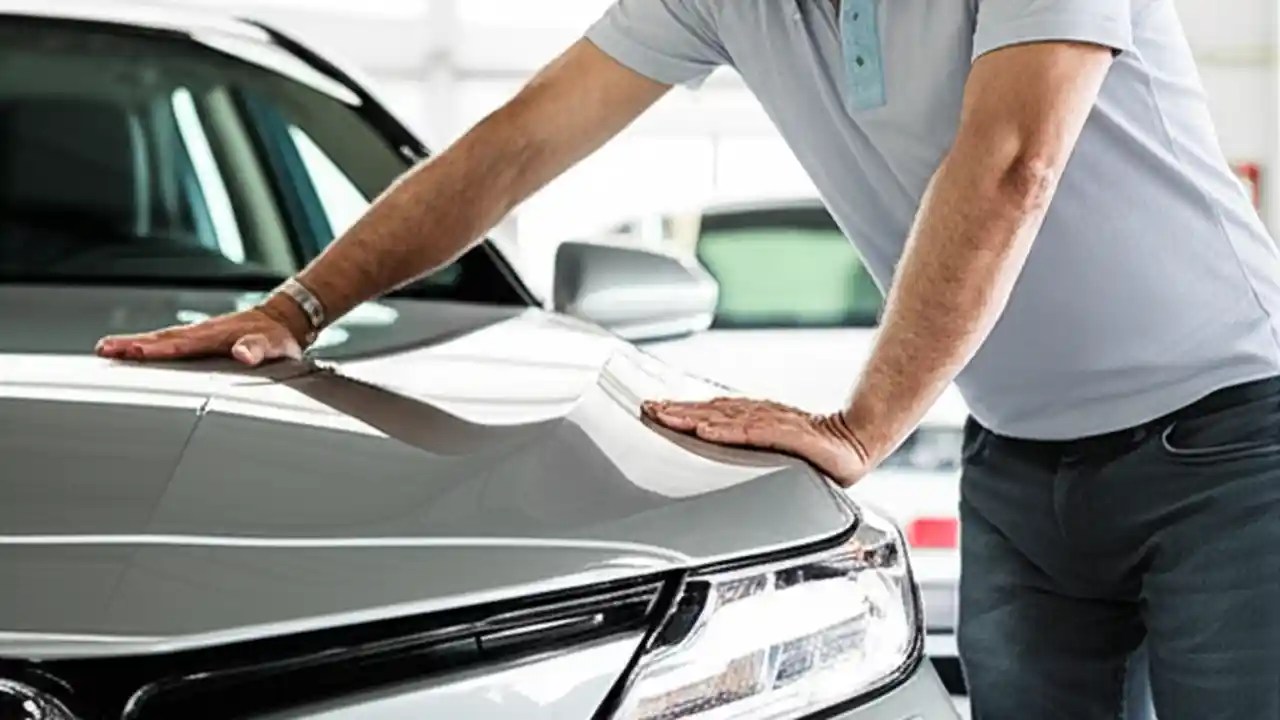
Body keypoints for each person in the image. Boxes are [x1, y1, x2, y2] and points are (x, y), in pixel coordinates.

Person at [97, 1, 1280, 717]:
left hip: (1234, 442)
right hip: (1018, 464)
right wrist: (302, 306)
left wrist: (861, 424)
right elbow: (517, 145)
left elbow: (1014, 160)